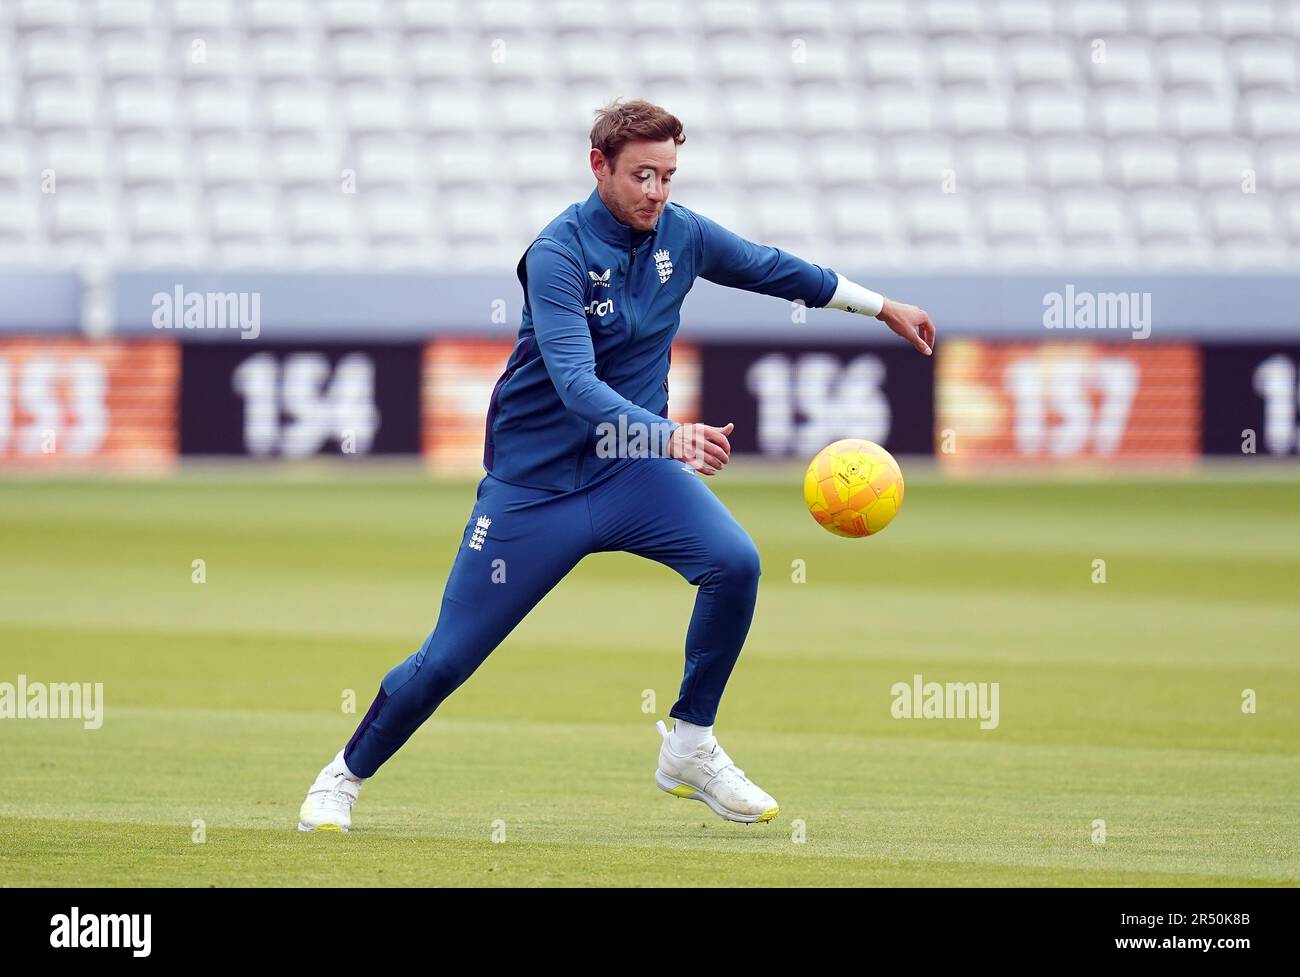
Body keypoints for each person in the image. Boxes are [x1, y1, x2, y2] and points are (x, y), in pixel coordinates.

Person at [298, 99, 936, 831]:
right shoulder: (558, 253)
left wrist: (879, 305)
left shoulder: (682, 234)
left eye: (668, 175)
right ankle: (341, 776)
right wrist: (670, 437)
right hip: (534, 490)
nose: (657, 192)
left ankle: (690, 745)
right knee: (446, 660)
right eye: (642, 175)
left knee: (735, 562)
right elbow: (575, 384)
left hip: (630, 471)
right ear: (598, 165)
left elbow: (771, 268)